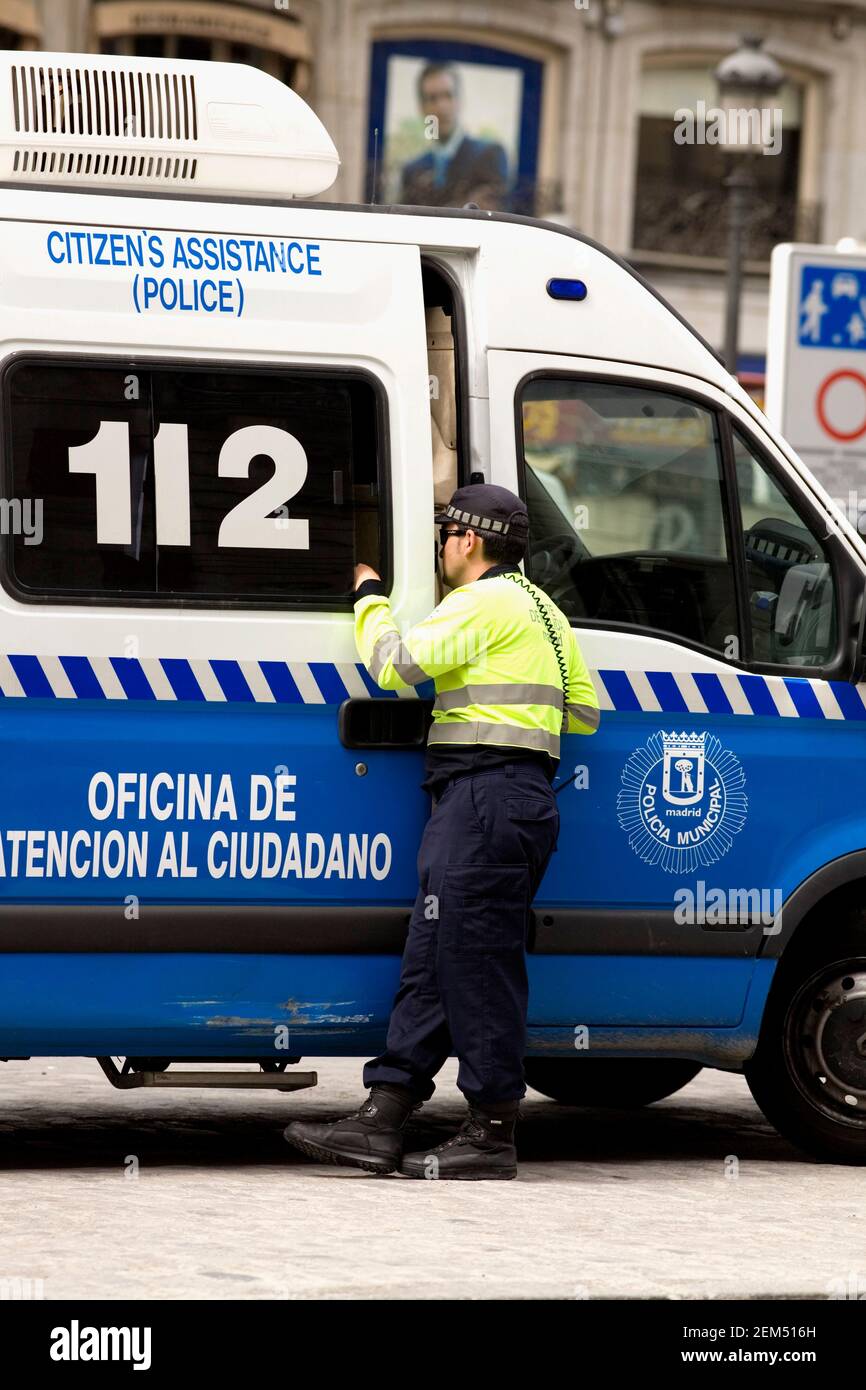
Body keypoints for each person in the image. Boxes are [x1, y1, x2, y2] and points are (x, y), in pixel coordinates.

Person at [283, 484, 600, 1179]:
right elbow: (584, 713)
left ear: (468, 541)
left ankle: (491, 1133)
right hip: (511, 798)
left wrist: (368, 597)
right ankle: (385, 1113)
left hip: (484, 799)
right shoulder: (545, 610)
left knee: (478, 966)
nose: (442, 545)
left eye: (446, 533)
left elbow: (396, 667)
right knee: (434, 958)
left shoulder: (483, 603)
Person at [399, 61, 508, 211]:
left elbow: (491, 216)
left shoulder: (489, 155)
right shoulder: (412, 170)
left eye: (448, 95)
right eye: (432, 98)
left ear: (460, 101)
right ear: (421, 108)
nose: (441, 106)